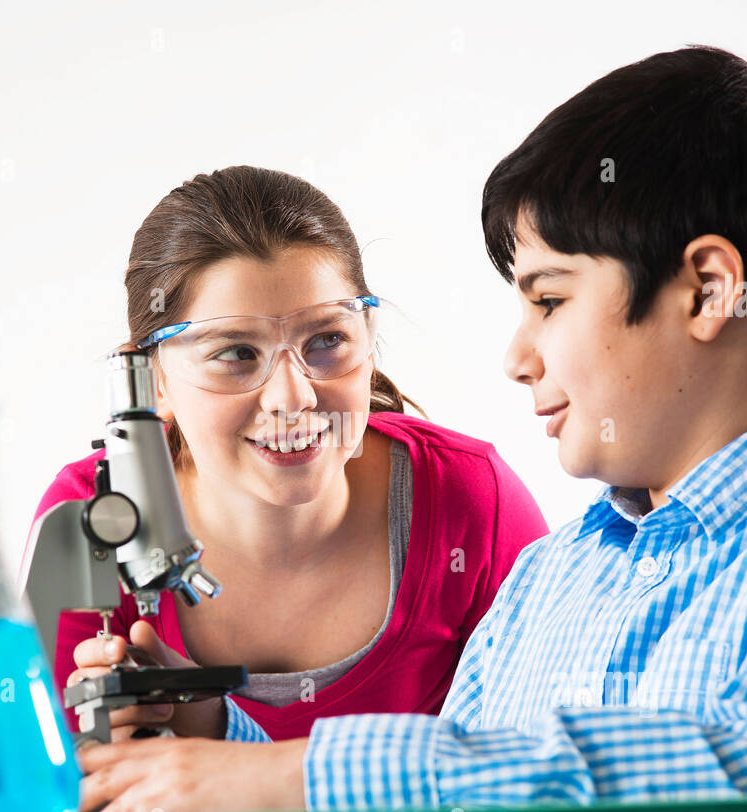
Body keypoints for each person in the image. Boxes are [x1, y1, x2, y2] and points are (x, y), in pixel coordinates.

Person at [74, 47, 747, 812]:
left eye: (549, 299)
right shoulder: (548, 580)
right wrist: (217, 737)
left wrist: (293, 780)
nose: (516, 356)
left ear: (708, 290)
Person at [31, 165, 549, 743]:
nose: (293, 397)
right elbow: (43, 784)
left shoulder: (473, 503)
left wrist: (215, 741)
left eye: (327, 340)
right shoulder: (91, 517)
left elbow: (529, 782)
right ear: (150, 380)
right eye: (235, 353)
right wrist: (95, 748)